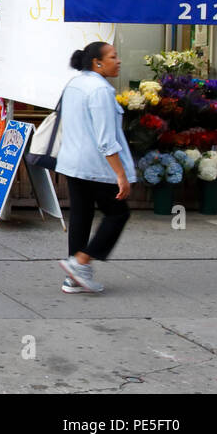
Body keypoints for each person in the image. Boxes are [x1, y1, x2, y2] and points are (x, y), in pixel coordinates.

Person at [56, 41, 134, 294]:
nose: (118, 61)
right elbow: (106, 140)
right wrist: (121, 174)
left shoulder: (75, 83)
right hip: (96, 166)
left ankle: (74, 277)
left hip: (73, 162)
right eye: (113, 57)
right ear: (97, 62)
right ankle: (81, 262)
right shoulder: (100, 90)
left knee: (82, 215)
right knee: (118, 213)